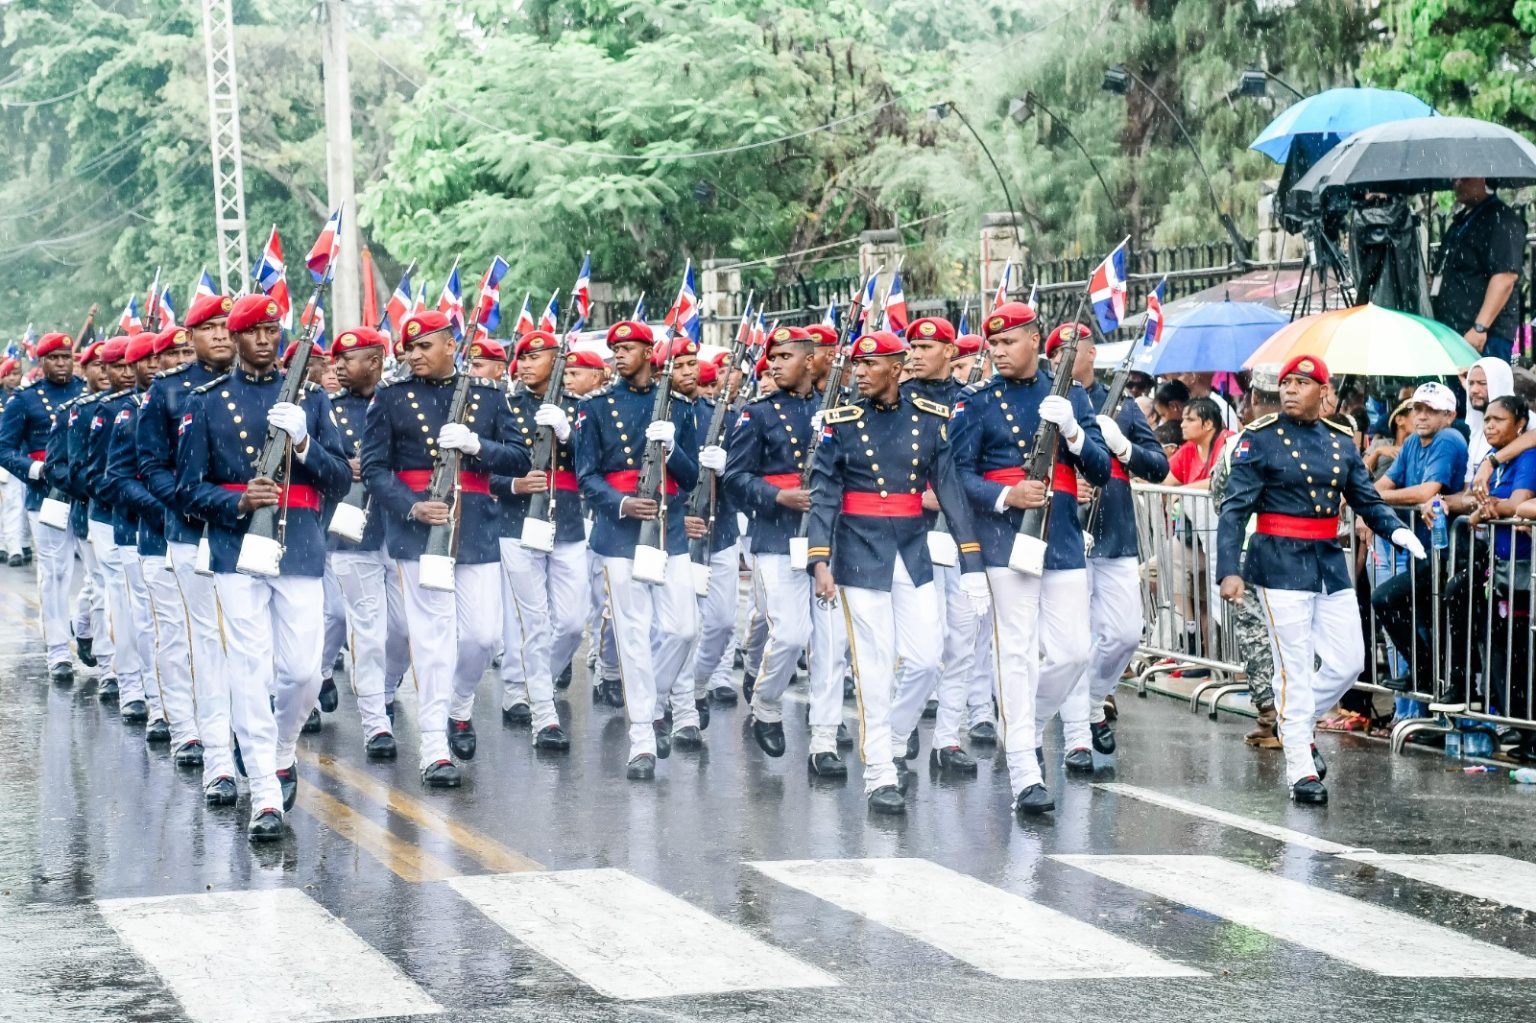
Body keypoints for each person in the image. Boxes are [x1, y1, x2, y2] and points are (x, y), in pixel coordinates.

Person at [175, 294, 352, 840]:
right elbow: (187, 490)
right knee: (249, 670)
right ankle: (265, 797)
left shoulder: (311, 402)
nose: (265, 340)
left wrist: (303, 440)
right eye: (253, 332)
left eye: (273, 331)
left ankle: (280, 748)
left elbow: (341, 480)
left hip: (298, 547)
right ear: (236, 337)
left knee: (301, 672)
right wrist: (237, 504)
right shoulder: (206, 402)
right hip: (235, 549)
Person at [1217, 354, 1422, 805]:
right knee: (1293, 666)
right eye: (1286, 382)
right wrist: (1228, 570)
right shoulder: (1261, 438)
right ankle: (1300, 769)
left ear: (1324, 395)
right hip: (1278, 561)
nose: (1290, 390)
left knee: (1349, 660)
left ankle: (1298, 719)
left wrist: (1397, 529)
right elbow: (1235, 508)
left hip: (1328, 561)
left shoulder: (1341, 441)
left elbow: (1365, 498)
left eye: (1301, 384)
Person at [807, 328, 989, 815]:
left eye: (872, 365)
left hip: (912, 549)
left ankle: (893, 736)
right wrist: (819, 557)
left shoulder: (931, 419)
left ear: (897, 366)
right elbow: (824, 493)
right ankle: (879, 771)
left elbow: (950, 490)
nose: (861, 373)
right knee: (874, 663)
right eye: (857, 365)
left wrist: (972, 563)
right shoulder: (839, 422)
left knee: (928, 658)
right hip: (858, 551)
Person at [951, 303, 1112, 817]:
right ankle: (1024, 766)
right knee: (1015, 654)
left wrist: (1074, 432)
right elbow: (957, 477)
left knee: (1073, 653)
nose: (997, 351)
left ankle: (1026, 723)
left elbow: (1101, 470)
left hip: (1061, 536)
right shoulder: (976, 401)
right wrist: (1005, 498)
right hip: (1004, 538)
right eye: (992, 344)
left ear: (1036, 340)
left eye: (1008, 342)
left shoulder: (1071, 395)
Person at [361, 310, 530, 788]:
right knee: (434, 640)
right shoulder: (391, 399)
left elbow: (518, 455)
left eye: (423, 346)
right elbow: (375, 470)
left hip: (475, 525)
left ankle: (460, 704)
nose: (412, 355)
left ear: (451, 345)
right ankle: (434, 745)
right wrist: (412, 508)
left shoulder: (489, 396)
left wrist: (479, 446)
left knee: (482, 636)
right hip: (420, 533)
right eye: (408, 348)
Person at [574, 320, 700, 780]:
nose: (619, 356)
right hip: (620, 531)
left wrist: (673, 450)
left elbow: (691, 479)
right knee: (633, 636)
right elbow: (586, 476)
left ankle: (657, 700)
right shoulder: (597, 407)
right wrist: (623, 503)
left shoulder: (680, 409)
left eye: (629, 348)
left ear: (650, 354)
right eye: (615, 349)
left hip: (669, 531)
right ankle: (642, 737)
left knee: (684, 629)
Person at [725, 325, 843, 776]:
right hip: (777, 537)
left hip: (827, 537)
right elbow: (735, 478)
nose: (774, 364)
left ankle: (825, 741)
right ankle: (767, 702)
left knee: (830, 647)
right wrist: (779, 497)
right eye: (772, 358)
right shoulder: (758, 414)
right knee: (790, 634)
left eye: (786, 356)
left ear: (811, 362)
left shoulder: (836, 409)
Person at [138, 292, 240, 803]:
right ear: (192, 337)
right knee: (207, 644)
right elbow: (149, 464)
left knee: (253, 649)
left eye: (228, 325)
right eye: (210, 327)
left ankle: (251, 737)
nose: (222, 334)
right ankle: (217, 759)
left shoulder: (256, 387)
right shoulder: (169, 392)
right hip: (192, 533)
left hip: (255, 536)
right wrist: (184, 501)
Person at [892, 315, 985, 774]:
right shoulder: (895, 402)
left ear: (950, 352)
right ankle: (902, 723)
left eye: (927, 348)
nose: (915, 354)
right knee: (919, 648)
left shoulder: (974, 402)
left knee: (962, 644)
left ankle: (947, 739)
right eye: (911, 347)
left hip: (964, 537)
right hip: (914, 537)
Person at [1078, 327, 1170, 755]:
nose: (1061, 358)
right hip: (1065, 529)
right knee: (1071, 640)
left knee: (1126, 634)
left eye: (1069, 351)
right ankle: (1078, 733)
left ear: (1091, 353)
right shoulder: (1045, 401)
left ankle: (1092, 699)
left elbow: (1158, 468)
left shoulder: (1125, 406)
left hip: (1113, 531)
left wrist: (1123, 448)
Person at [496, 328, 584, 751]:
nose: (526, 364)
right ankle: (542, 713)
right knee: (533, 622)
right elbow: (484, 467)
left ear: (558, 359)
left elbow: (596, 462)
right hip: (517, 521)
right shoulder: (506, 406)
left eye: (536, 356)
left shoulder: (580, 409)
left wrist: (569, 433)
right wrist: (514, 484)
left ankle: (534, 681)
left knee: (569, 622)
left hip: (565, 520)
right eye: (522, 358)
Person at [325, 326, 409, 759]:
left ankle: (387, 688)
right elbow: (312, 458)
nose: (337, 366)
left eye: (347, 358)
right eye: (336, 359)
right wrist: (342, 465)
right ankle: (376, 722)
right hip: (350, 530)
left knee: (404, 630)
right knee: (366, 629)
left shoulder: (400, 402)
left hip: (398, 528)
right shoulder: (330, 409)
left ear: (375, 362)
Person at [1369, 381, 1468, 696]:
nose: (1422, 416)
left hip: (1448, 550)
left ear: (1449, 415)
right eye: (1417, 408)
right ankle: (1427, 677)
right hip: (1422, 548)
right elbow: (1380, 485)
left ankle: (1430, 675)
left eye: (1431, 410)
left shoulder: (1449, 438)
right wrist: (1384, 495)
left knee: (1386, 598)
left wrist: (1384, 498)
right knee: (1422, 616)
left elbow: (1427, 492)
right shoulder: (1413, 443)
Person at [0, 332, 83, 681]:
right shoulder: (25, 401)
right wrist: (34, 470)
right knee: (54, 572)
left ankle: (85, 628)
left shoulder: (86, 392)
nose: (62, 364)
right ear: (42, 362)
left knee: (92, 573)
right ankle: (59, 651)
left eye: (67, 357)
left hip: (85, 492)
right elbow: (4, 448)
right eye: (55, 358)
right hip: (45, 494)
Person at [1431, 177, 1525, 362]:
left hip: (1483, 334)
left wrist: (1480, 328)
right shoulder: (1462, 220)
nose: (1456, 183)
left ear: (1482, 178)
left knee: (1482, 389)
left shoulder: (1501, 220)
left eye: (1463, 178)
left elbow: (1505, 277)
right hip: (1454, 329)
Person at [0, 356, 30, 566]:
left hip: (19, 456)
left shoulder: (25, 398)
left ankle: (17, 546)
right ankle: (9, 546)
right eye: (9, 374)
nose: (13, 378)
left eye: (16, 374)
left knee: (19, 503)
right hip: (3, 456)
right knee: (9, 504)